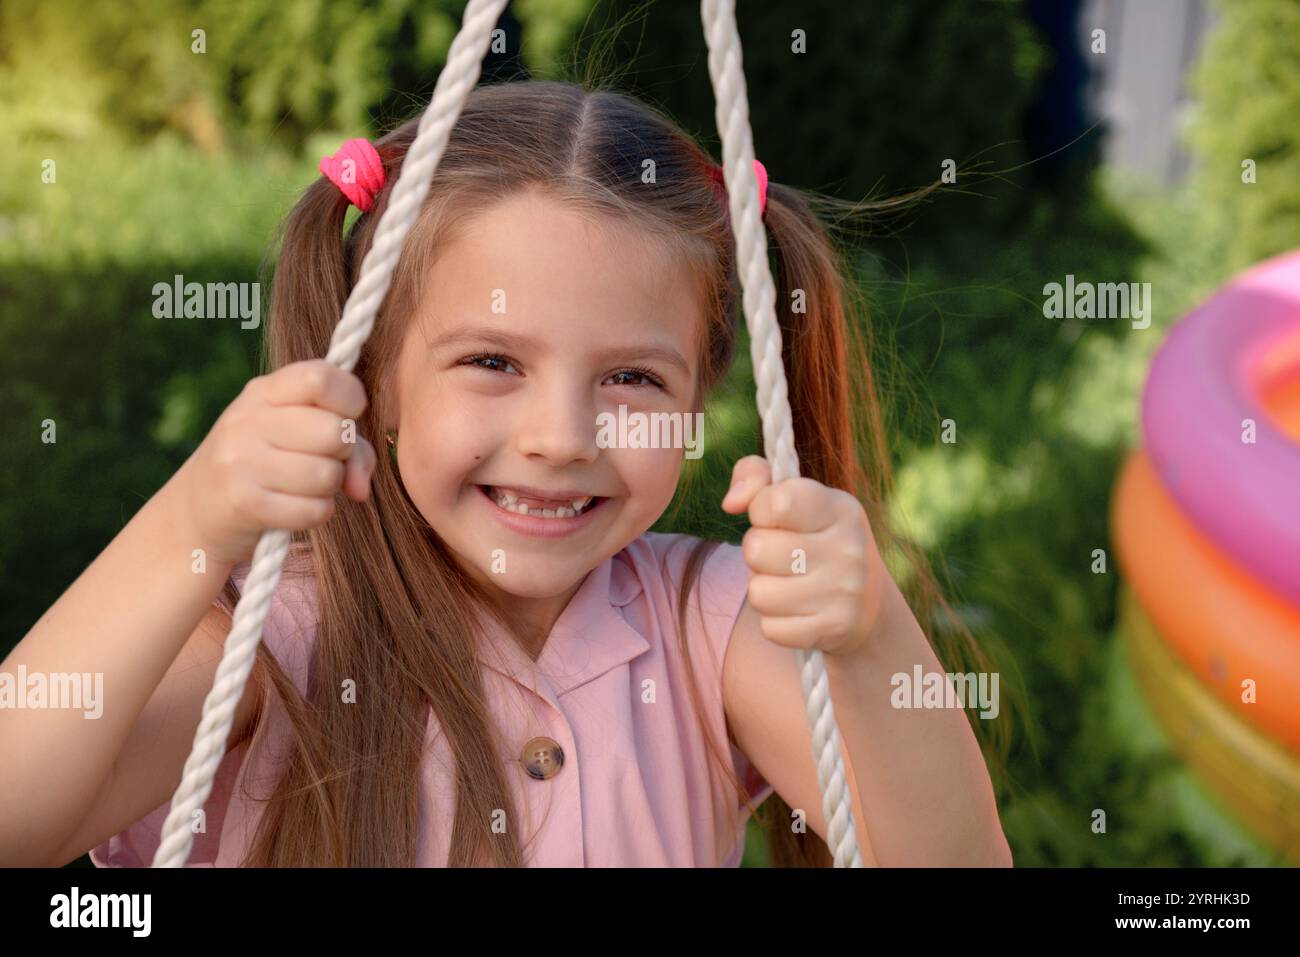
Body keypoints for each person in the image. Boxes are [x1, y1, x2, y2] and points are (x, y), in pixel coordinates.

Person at [2, 79, 1010, 868]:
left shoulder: (713, 626)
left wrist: (872, 632)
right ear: (379, 376)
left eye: (630, 376)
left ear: (699, 396)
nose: (560, 435)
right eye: (492, 362)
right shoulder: (276, 635)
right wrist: (189, 521)